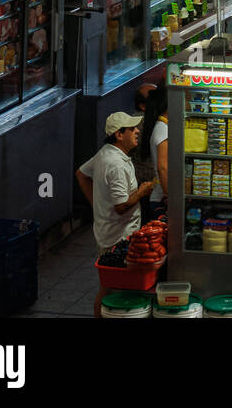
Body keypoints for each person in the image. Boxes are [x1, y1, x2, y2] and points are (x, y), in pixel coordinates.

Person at [76, 111, 154, 316]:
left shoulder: (105, 153)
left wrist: (97, 205)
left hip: (107, 229)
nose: (137, 131)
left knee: (109, 285)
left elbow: (81, 174)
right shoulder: (116, 164)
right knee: (115, 289)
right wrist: (142, 192)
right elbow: (121, 206)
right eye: (131, 129)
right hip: (117, 236)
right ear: (119, 135)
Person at [137, 86, 169, 219]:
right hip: (161, 199)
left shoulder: (163, 126)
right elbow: (162, 168)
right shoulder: (162, 129)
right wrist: (171, 198)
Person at [132, 83, 158, 222]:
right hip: (142, 189)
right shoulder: (135, 126)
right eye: (154, 98)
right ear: (142, 106)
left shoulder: (158, 121)